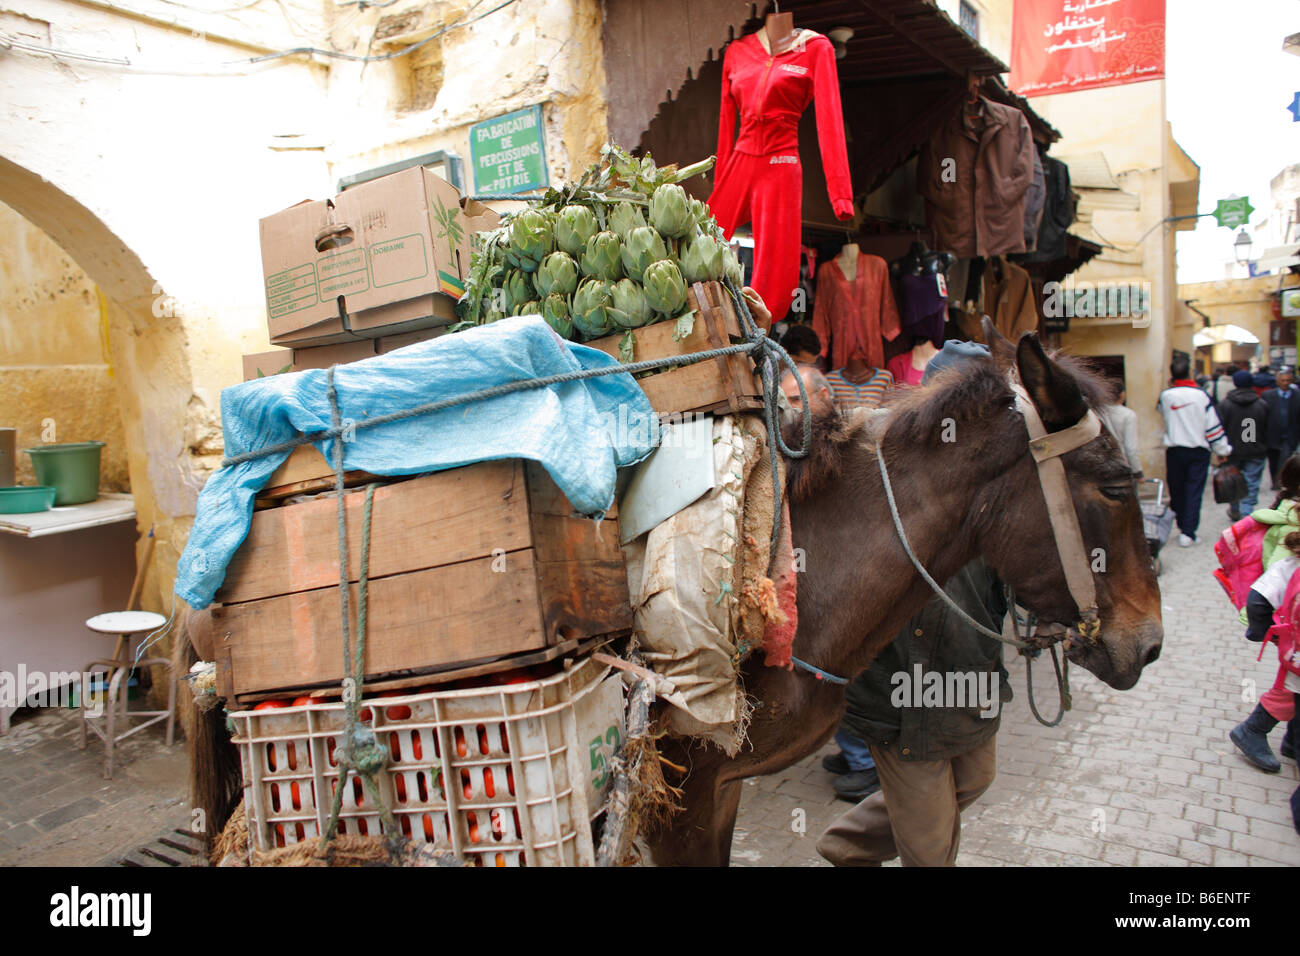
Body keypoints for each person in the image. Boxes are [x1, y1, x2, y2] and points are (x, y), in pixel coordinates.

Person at [816, 342, 1011, 865]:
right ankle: (873, 840)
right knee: (930, 846)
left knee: (975, 778)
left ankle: (847, 845)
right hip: (901, 689)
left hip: (971, 675)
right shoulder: (876, 473)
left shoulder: (1002, 482)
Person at [1229, 529, 1300, 775]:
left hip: (1295, 652)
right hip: (1296, 653)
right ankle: (1253, 730)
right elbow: (1258, 599)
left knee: (1290, 692)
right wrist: (1264, 631)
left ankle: (1289, 741)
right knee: (1289, 691)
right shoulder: (1292, 566)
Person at [1157, 354, 1232, 546]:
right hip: (1198, 451)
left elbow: (1161, 411)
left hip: (1174, 451)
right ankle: (1188, 532)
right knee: (1193, 491)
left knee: (1177, 490)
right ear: (1190, 373)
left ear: (1172, 375)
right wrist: (1222, 449)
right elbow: (1212, 427)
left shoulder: (1166, 396)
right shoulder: (1202, 396)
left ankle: (1183, 525)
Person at [1218, 368, 1271, 520]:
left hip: (1232, 450)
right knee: (1252, 483)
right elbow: (1267, 427)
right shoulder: (1261, 404)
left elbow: (1220, 428)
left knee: (1233, 481)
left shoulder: (1225, 404)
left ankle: (1235, 509)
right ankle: (1247, 514)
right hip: (1256, 450)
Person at [1261, 367, 1300, 489]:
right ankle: (1275, 481)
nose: (1285, 383)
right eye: (1283, 380)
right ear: (1277, 381)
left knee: (1287, 460)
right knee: (1273, 460)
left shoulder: (1297, 396)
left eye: (1288, 380)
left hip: (1291, 434)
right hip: (1273, 435)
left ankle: (1284, 482)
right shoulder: (1267, 395)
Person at [1100, 387, 1142, 478]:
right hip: (1121, 464)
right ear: (1122, 394)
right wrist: (1137, 471)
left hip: (1100, 463)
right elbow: (1131, 448)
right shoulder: (1128, 415)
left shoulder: (1098, 412)